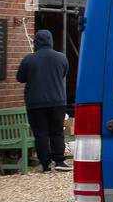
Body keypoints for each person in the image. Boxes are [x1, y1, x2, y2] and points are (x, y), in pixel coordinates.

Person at [16, 29, 71, 172]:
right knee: (57, 131)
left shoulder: (29, 59)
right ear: (51, 41)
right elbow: (63, 73)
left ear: (36, 42)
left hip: (35, 102)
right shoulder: (61, 58)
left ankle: (45, 164)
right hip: (57, 100)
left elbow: (20, 78)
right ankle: (59, 160)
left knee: (41, 133)